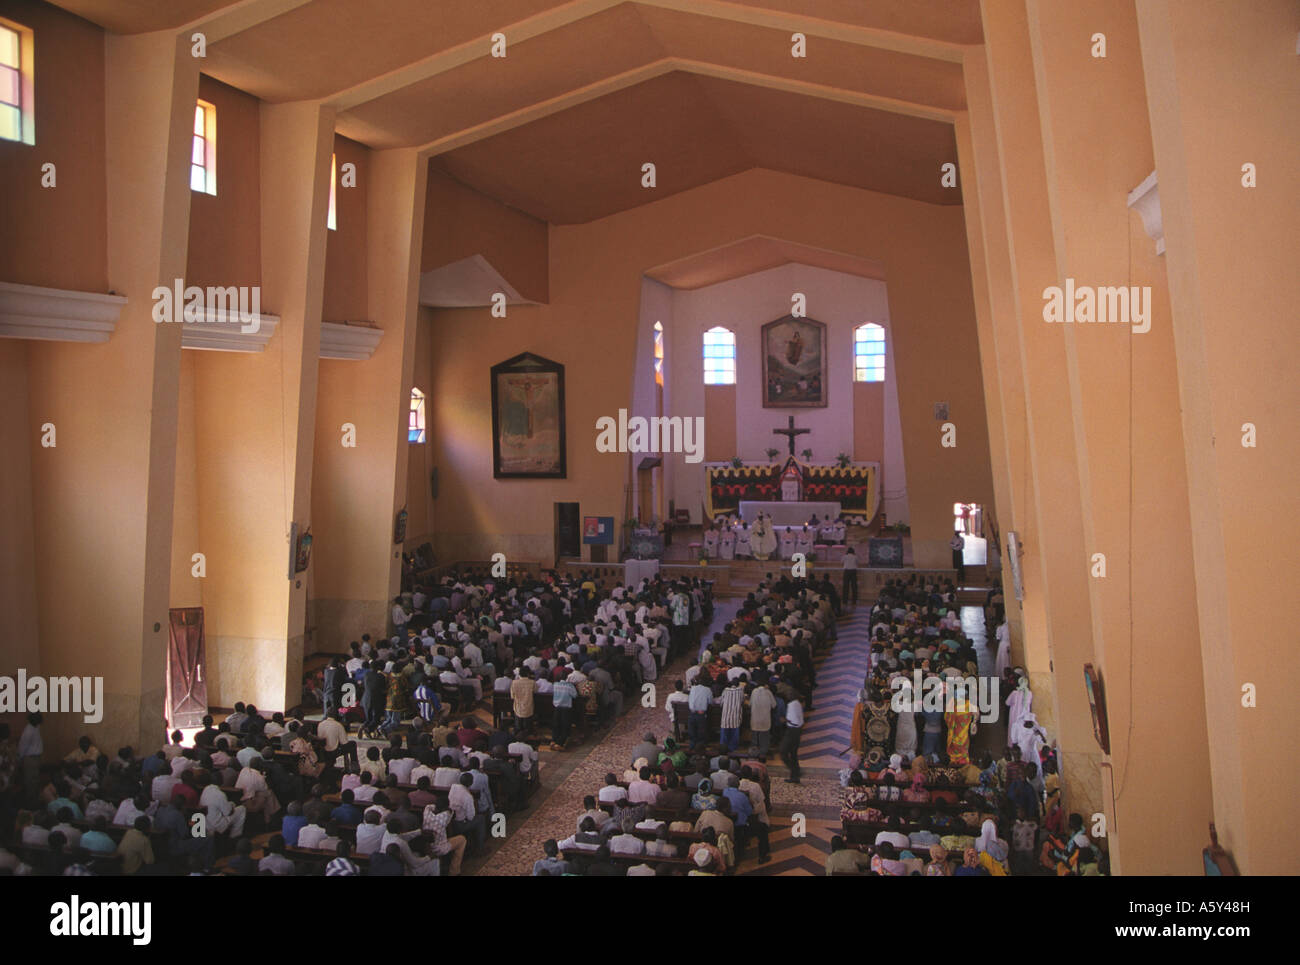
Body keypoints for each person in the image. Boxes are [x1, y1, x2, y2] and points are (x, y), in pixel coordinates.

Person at [781, 696, 804, 784]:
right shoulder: (797, 703)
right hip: (798, 730)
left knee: (783, 752)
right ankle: (796, 773)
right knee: (793, 753)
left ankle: (795, 772)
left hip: (792, 731)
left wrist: (784, 720)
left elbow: (793, 721)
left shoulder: (791, 705)